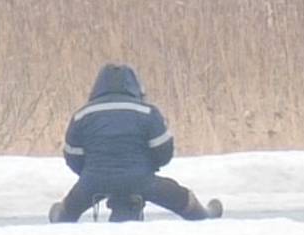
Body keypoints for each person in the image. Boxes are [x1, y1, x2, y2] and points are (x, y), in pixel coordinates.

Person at [48, 63, 222, 223]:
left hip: (94, 180)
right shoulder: (147, 112)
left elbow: (72, 155)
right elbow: (164, 151)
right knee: (179, 196)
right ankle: (204, 216)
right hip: (141, 180)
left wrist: (90, 173)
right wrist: (147, 167)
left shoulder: (82, 116)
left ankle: (60, 217)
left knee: (69, 208)